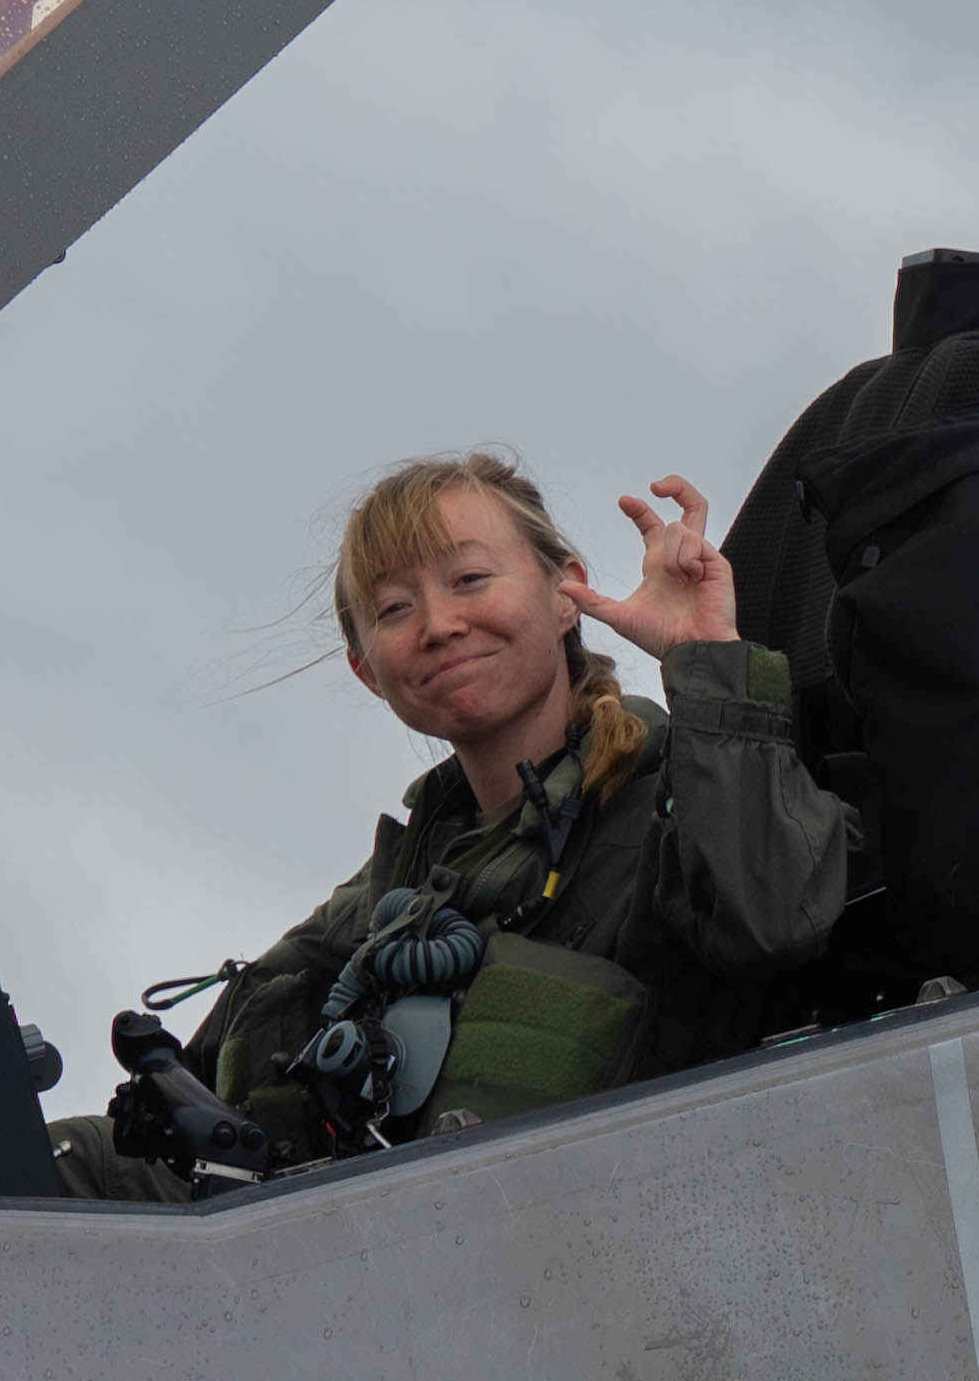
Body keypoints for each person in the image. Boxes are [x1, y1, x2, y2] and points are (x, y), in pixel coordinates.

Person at [56, 449, 854, 1200]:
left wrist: (705, 657)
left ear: (565, 591)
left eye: (470, 578)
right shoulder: (384, 902)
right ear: (367, 668)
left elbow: (770, 919)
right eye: (395, 609)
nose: (438, 624)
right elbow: (184, 1125)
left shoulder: (688, 799)